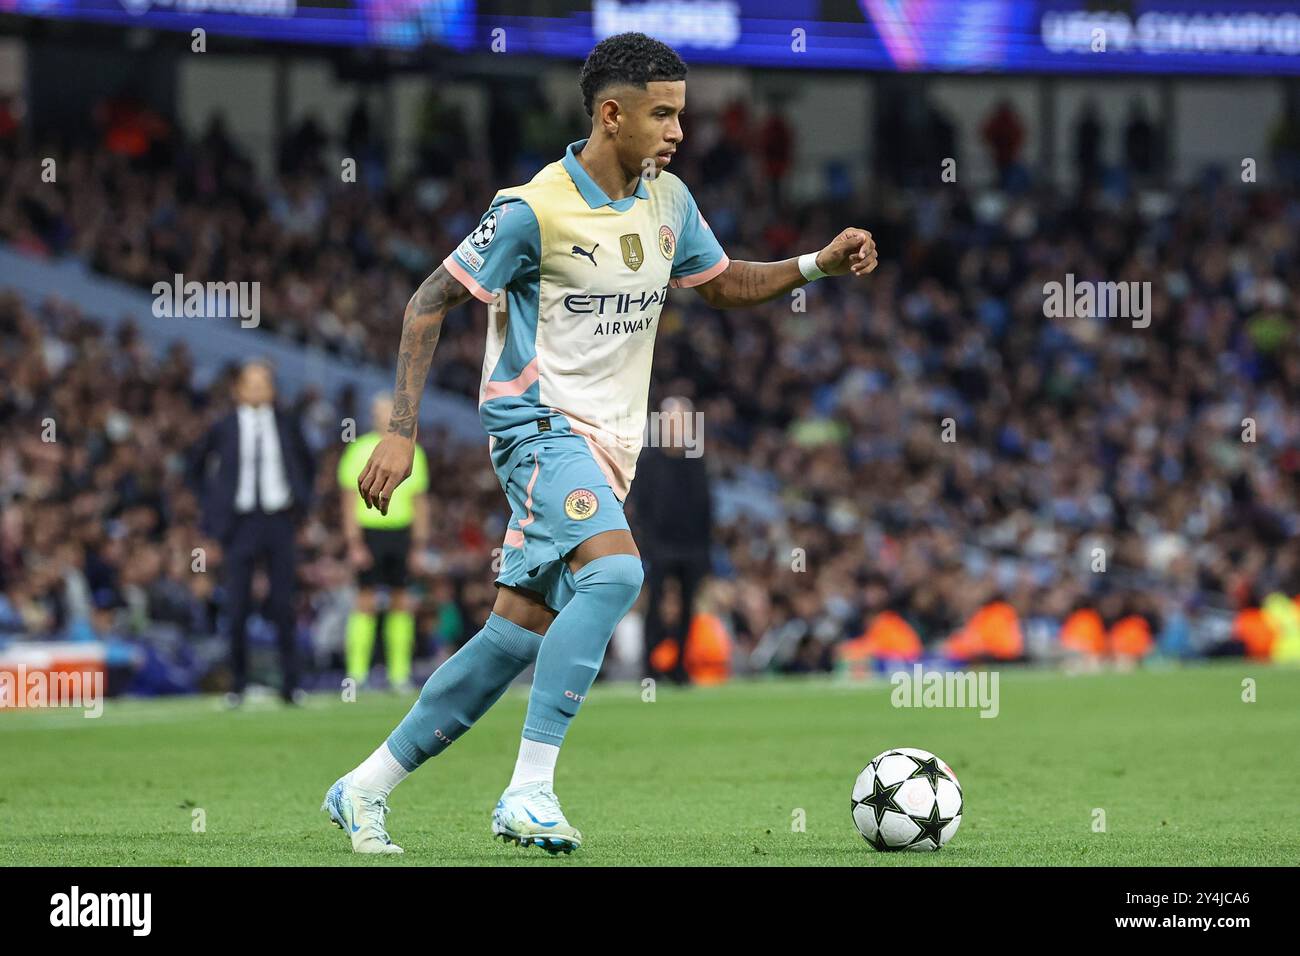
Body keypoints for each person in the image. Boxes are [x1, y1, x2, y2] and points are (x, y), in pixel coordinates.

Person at [322, 31, 878, 855]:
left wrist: (814, 266)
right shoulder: (531, 209)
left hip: (609, 447)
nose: (679, 132)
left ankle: (363, 788)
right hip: (537, 427)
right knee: (617, 572)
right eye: (664, 115)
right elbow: (427, 302)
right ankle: (529, 791)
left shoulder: (668, 200)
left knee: (512, 636)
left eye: (681, 115)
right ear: (611, 115)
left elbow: (720, 282)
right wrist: (399, 435)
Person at [189, 361, 315, 706]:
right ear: (239, 389)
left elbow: (308, 462)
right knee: (238, 604)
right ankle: (238, 685)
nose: (258, 390)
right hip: (239, 522)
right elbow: (194, 466)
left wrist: (301, 504)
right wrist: (212, 508)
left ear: (272, 389)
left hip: (279, 520)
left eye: (264, 383)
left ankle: (291, 686)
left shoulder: (287, 424)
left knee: (284, 603)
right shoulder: (224, 426)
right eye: (251, 383)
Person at [336, 394, 430, 691]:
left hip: (401, 532)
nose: (385, 417)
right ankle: (357, 675)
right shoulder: (359, 450)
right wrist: (354, 543)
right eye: (379, 412)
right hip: (369, 532)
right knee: (365, 602)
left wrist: (418, 545)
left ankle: (399, 675)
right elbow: (348, 501)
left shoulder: (414, 451)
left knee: (401, 602)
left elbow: (420, 502)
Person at [632, 396, 713, 685]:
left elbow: (705, 509)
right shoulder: (650, 461)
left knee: (688, 607)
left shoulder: (695, 461)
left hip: (690, 548)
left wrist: (705, 553)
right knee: (654, 606)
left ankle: (679, 665)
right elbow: (641, 507)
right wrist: (648, 546)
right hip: (659, 547)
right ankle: (650, 664)